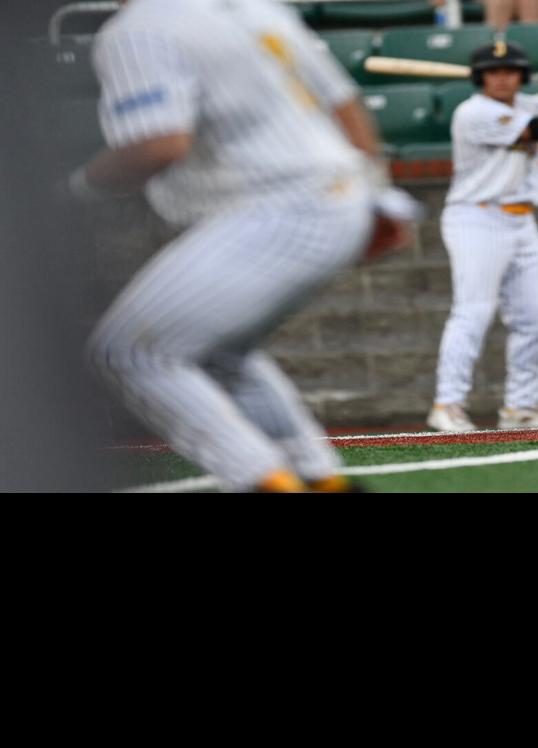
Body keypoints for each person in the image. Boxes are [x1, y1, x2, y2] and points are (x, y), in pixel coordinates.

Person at [73, 0, 421, 492]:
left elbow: (158, 144)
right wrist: (379, 195)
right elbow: (342, 102)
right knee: (220, 353)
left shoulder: (139, 28)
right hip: (332, 197)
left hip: (276, 206)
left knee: (130, 353)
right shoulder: (255, 6)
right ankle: (318, 479)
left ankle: (263, 481)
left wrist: (73, 188)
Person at [427, 40, 538, 432]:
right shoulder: (475, 112)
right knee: (473, 311)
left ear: (521, 75)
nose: (502, 78)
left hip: (522, 219)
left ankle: (521, 407)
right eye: (494, 71)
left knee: (536, 318)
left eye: (510, 70)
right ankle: (447, 403)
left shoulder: (527, 104)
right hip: (477, 218)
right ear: (481, 77)